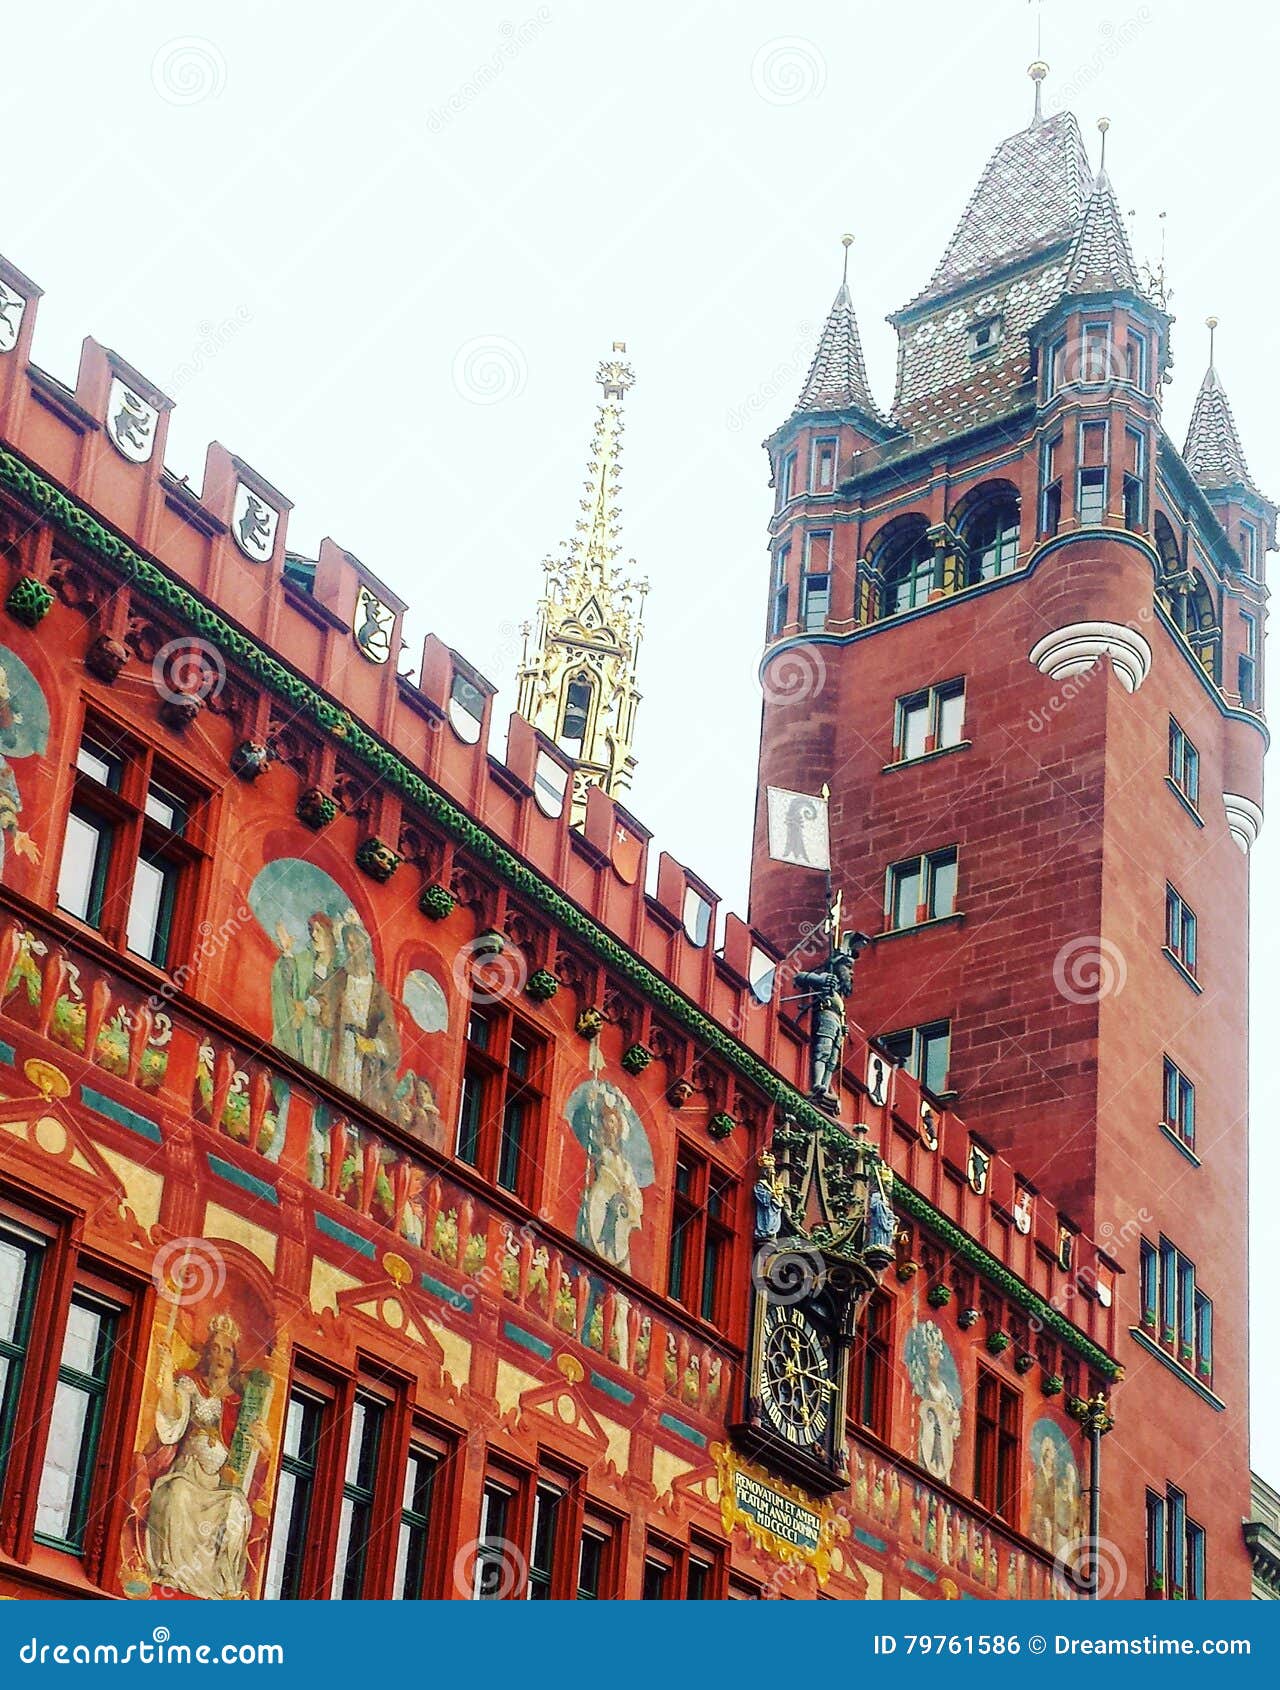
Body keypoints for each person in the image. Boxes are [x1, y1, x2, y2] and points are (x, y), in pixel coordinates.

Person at [146, 1313, 270, 1600]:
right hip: (188, 1472)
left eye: (227, 1351)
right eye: (215, 1348)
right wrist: (166, 1372)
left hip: (218, 1484)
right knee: (176, 1495)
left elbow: (254, 1455)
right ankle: (173, 1574)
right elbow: (172, 1413)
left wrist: (265, 1443)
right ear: (207, 1354)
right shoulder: (190, 1384)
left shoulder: (240, 1403)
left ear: (234, 1360)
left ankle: (223, 1587)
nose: (220, 1356)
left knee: (235, 1509)